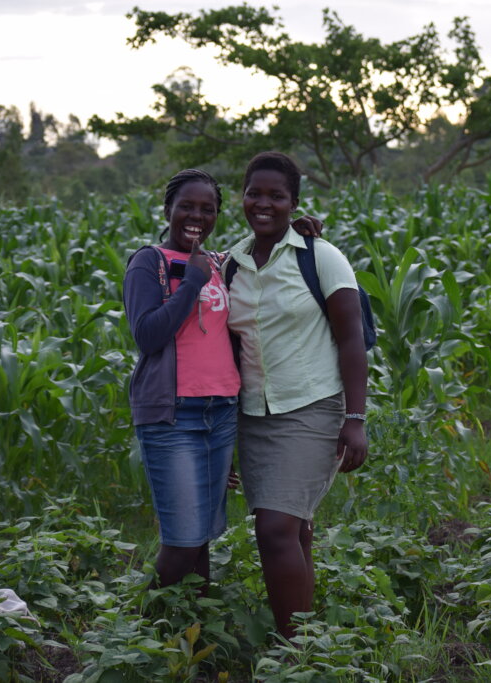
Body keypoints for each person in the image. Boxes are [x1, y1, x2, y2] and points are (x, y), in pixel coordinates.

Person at [122, 168, 321, 593]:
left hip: (221, 413)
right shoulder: (150, 262)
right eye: (187, 207)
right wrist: (190, 282)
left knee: (203, 542)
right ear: (168, 210)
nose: (197, 216)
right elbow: (148, 335)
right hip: (174, 415)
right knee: (182, 542)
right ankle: (132, 627)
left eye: (207, 209)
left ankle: (189, 641)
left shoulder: (220, 263)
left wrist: (297, 231)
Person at [226, 151, 368, 640]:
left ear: (294, 203)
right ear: (242, 198)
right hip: (254, 414)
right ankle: (308, 646)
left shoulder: (320, 257)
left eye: (276, 196)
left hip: (313, 408)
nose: (263, 204)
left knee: (274, 531)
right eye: (254, 193)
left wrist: (356, 417)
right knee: (295, 528)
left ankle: (292, 651)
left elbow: (350, 338)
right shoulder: (232, 264)